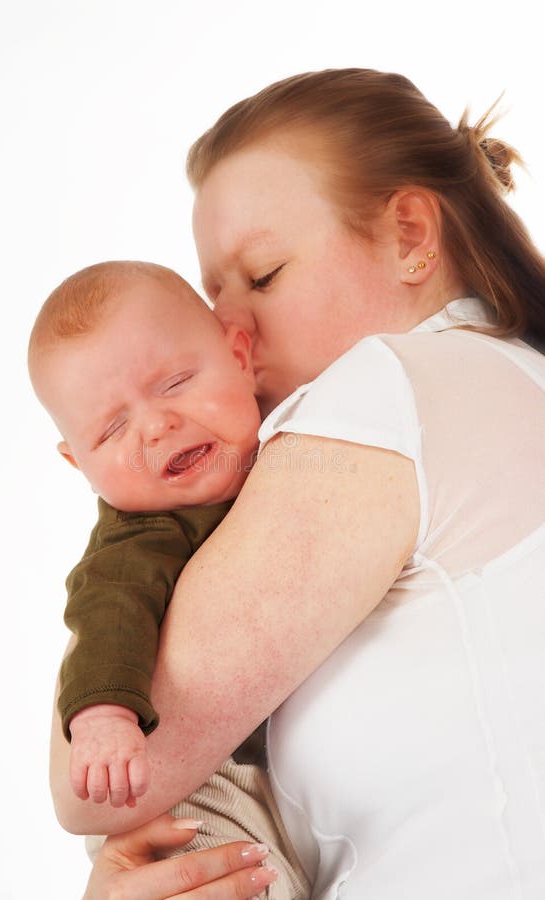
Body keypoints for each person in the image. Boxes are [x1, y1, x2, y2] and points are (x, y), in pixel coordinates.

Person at [49, 68, 545, 899]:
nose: (229, 328)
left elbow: (91, 782)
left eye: (264, 275)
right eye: (213, 298)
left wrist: (130, 510)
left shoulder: (388, 388)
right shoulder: (511, 381)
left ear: (410, 232)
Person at [28, 260, 309, 899]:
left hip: (276, 772)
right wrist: (103, 714)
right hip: (191, 786)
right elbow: (106, 611)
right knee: (217, 873)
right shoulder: (140, 535)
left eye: (177, 382)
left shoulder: (303, 446)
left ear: (239, 355)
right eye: (111, 428)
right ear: (79, 464)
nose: (155, 425)